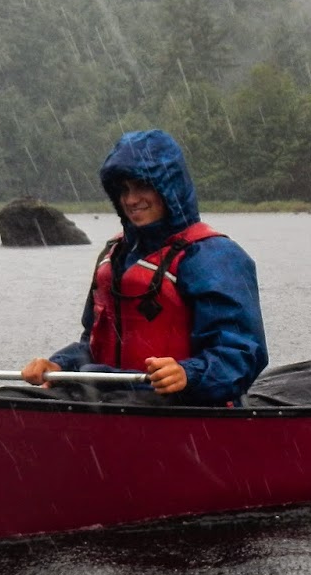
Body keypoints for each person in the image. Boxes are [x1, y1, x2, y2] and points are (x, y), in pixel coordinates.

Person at [20, 129, 269, 405]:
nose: (130, 199)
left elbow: (242, 353)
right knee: (12, 397)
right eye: (123, 190)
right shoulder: (115, 255)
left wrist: (188, 374)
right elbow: (94, 345)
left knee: (120, 405)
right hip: (110, 397)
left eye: (142, 186)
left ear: (169, 188)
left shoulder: (214, 257)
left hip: (186, 405)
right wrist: (59, 366)